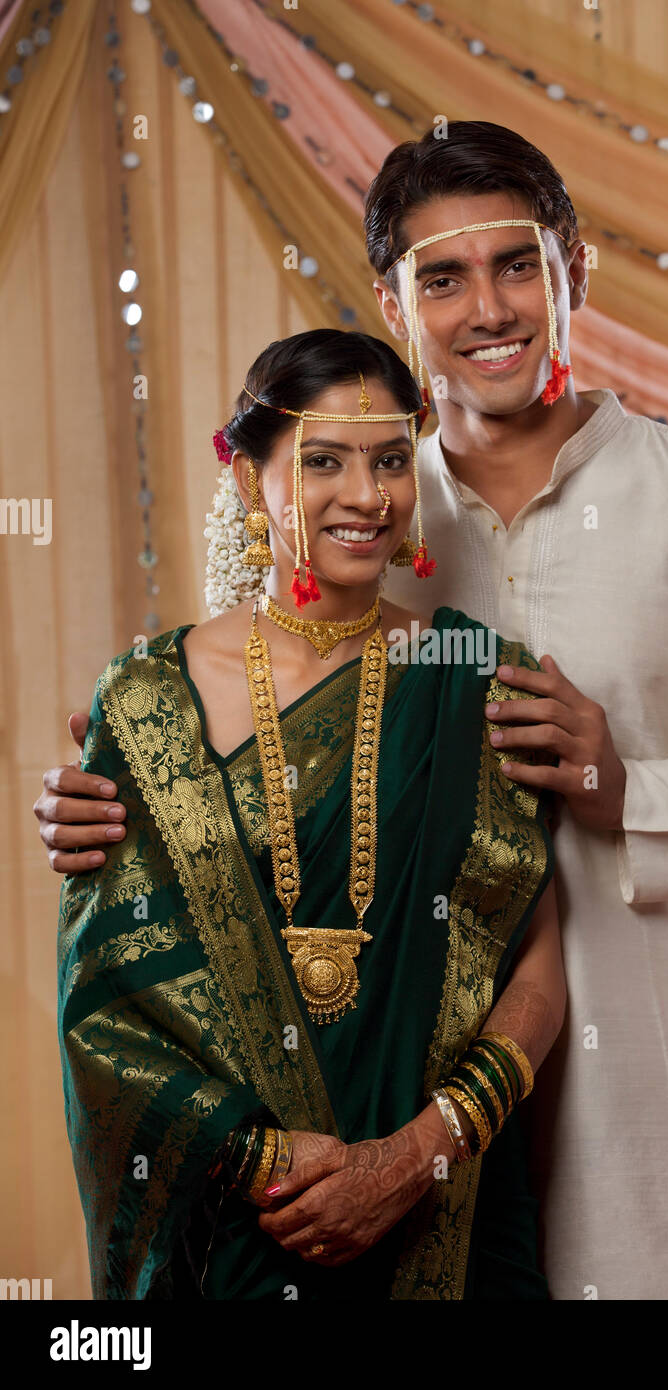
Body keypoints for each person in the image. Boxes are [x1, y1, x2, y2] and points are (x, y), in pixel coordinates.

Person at [38, 122, 668, 1300]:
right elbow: (224, 741)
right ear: (395, 304)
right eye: (442, 277)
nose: (487, 309)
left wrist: (633, 791)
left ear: (573, 271)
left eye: (517, 266)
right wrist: (103, 799)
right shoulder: (357, 500)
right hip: (394, 1145)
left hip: (665, 1125)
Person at [55, 327, 565, 1300]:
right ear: (251, 480)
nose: (367, 495)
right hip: (238, 1224)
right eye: (323, 460)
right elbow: (104, 1002)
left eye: (388, 460)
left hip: (441, 1214)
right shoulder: (146, 698)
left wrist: (420, 1152)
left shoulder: (480, 681)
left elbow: (538, 962)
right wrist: (260, 1164)